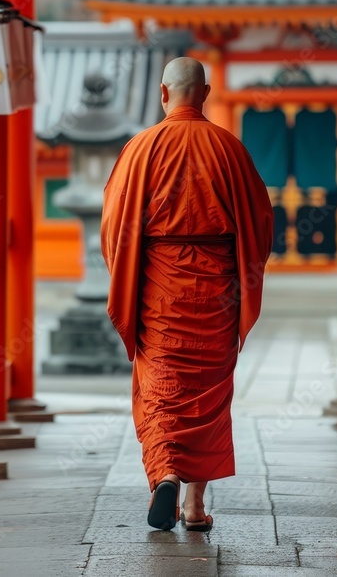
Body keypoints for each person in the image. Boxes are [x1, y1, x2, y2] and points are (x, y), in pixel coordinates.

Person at [101, 57, 273, 532]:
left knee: (161, 391)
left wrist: (132, 271)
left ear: (163, 93)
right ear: (207, 92)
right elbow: (260, 222)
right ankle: (195, 507)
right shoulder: (229, 149)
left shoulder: (141, 148)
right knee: (208, 396)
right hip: (217, 292)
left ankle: (166, 476)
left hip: (160, 290)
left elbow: (114, 225)